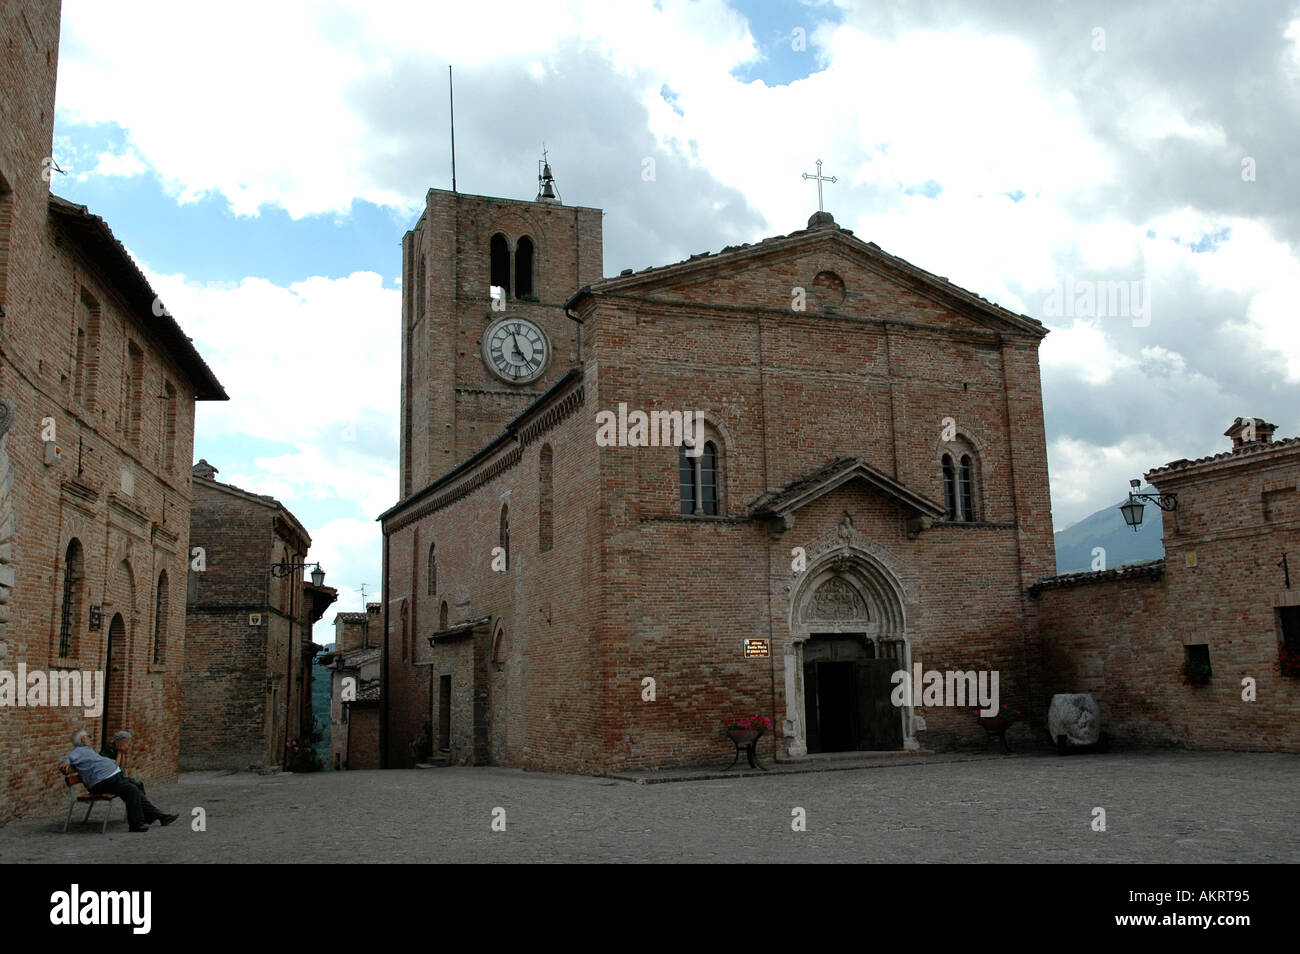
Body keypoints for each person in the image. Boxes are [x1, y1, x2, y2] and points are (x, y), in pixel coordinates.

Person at [58, 729, 178, 832]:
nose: (90, 739)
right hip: (101, 782)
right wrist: (65, 763)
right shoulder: (80, 751)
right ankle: (136, 824)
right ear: (83, 739)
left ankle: (160, 817)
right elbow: (68, 759)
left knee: (134, 787)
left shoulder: (88, 750)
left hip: (109, 779)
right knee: (130, 789)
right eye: (88, 737)